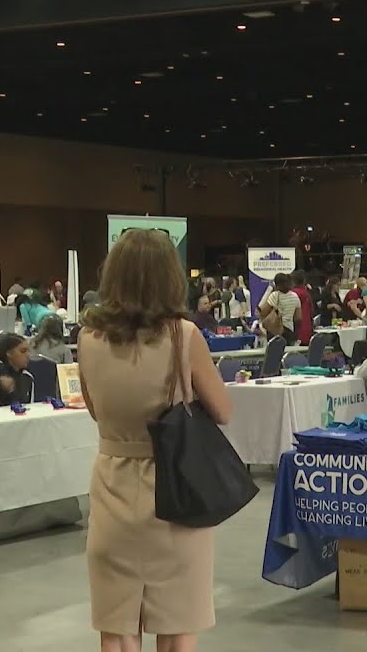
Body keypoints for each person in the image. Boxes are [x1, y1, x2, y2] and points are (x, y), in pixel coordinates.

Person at [78, 228, 232, 652]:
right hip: (177, 487)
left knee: (117, 626)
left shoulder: (88, 338)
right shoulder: (184, 336)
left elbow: (96, 411)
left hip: (112, 486)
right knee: (177, 623)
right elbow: (224, 410)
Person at [259, 273, 301, 344]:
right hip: (289, 331)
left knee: (274, 353)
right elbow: (298, 317)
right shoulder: (295, 296)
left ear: (276, 284)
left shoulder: (274, 295)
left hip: (274, 330)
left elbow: (263, 311)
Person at [290, 271, 315, 345]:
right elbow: (312, 311)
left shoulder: (292, 294)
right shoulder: (307, 294)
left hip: (296, 330)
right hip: (307, 329)